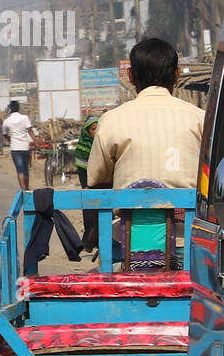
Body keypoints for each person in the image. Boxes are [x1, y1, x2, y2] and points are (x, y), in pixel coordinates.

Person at [85, 38, 204, 192]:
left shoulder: (111, 120)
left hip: (129, 215)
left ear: (130, 76)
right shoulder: (200, 119)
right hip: (186, 215)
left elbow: (97, 181)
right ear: (177, 75)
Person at [73, 112, 101, 251]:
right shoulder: (82, 149)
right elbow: (81, 169)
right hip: (88, 186)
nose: (95, 132)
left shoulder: (103, 146)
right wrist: (85, 186)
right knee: (89, 215)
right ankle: (89, 242)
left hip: (103, 185)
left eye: (97, 129)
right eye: (92, 129)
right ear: (87, 131)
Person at [2, 100, 39, 191]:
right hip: (25, 147)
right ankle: (27, 187)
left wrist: (9, 139)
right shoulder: (25, 118)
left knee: (20, 169)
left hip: (15, 148)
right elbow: (30, 131)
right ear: (18, 108)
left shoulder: (7, 121)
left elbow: (4, 133)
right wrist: (36, 141)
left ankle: (23, 190)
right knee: (26, 168)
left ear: (10, 109)